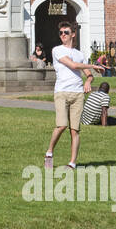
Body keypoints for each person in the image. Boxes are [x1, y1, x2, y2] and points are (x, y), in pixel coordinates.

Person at [43, 21, 102, 170]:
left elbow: (88, 75)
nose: (63, 35)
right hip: (62, 92)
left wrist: (88, 80)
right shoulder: (57, 50)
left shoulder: (79, 54)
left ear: (73, 34)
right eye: (61, 33)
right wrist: (93, 66)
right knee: (62, 125)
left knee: (75, 130)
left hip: (77, 94)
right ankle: (49, 152)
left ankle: (72, 163)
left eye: (66, 32)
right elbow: (74, 66)